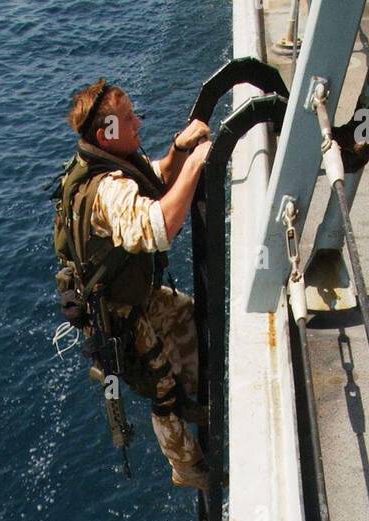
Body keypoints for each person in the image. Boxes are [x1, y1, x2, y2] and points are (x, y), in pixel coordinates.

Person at [58, 79, 213, 488]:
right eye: (128, 120)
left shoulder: (103, 166)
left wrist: (179, 152)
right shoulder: (108, 190)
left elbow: (154, 179)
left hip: (129, 297)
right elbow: (160, 226)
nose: (139, 123)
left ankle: (199, 394)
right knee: (162, 389)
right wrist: (197, 165)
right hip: (120, 316)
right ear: (105, 133)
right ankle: (188, 469)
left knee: (185, 313)